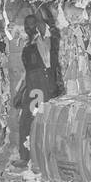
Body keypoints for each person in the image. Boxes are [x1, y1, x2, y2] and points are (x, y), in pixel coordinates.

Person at [14, 10, 62, 166]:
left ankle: (34, 158)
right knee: (27, 121)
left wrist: (37, 8)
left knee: (36, 121)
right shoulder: (29, 46)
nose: (28, 28)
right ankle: (27, 157)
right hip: (33, 88)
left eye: (32, 24)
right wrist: (20, 92)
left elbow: (44, 25)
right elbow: (28, 74)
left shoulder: (44, 43)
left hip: (42, 89)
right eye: (26, 26)